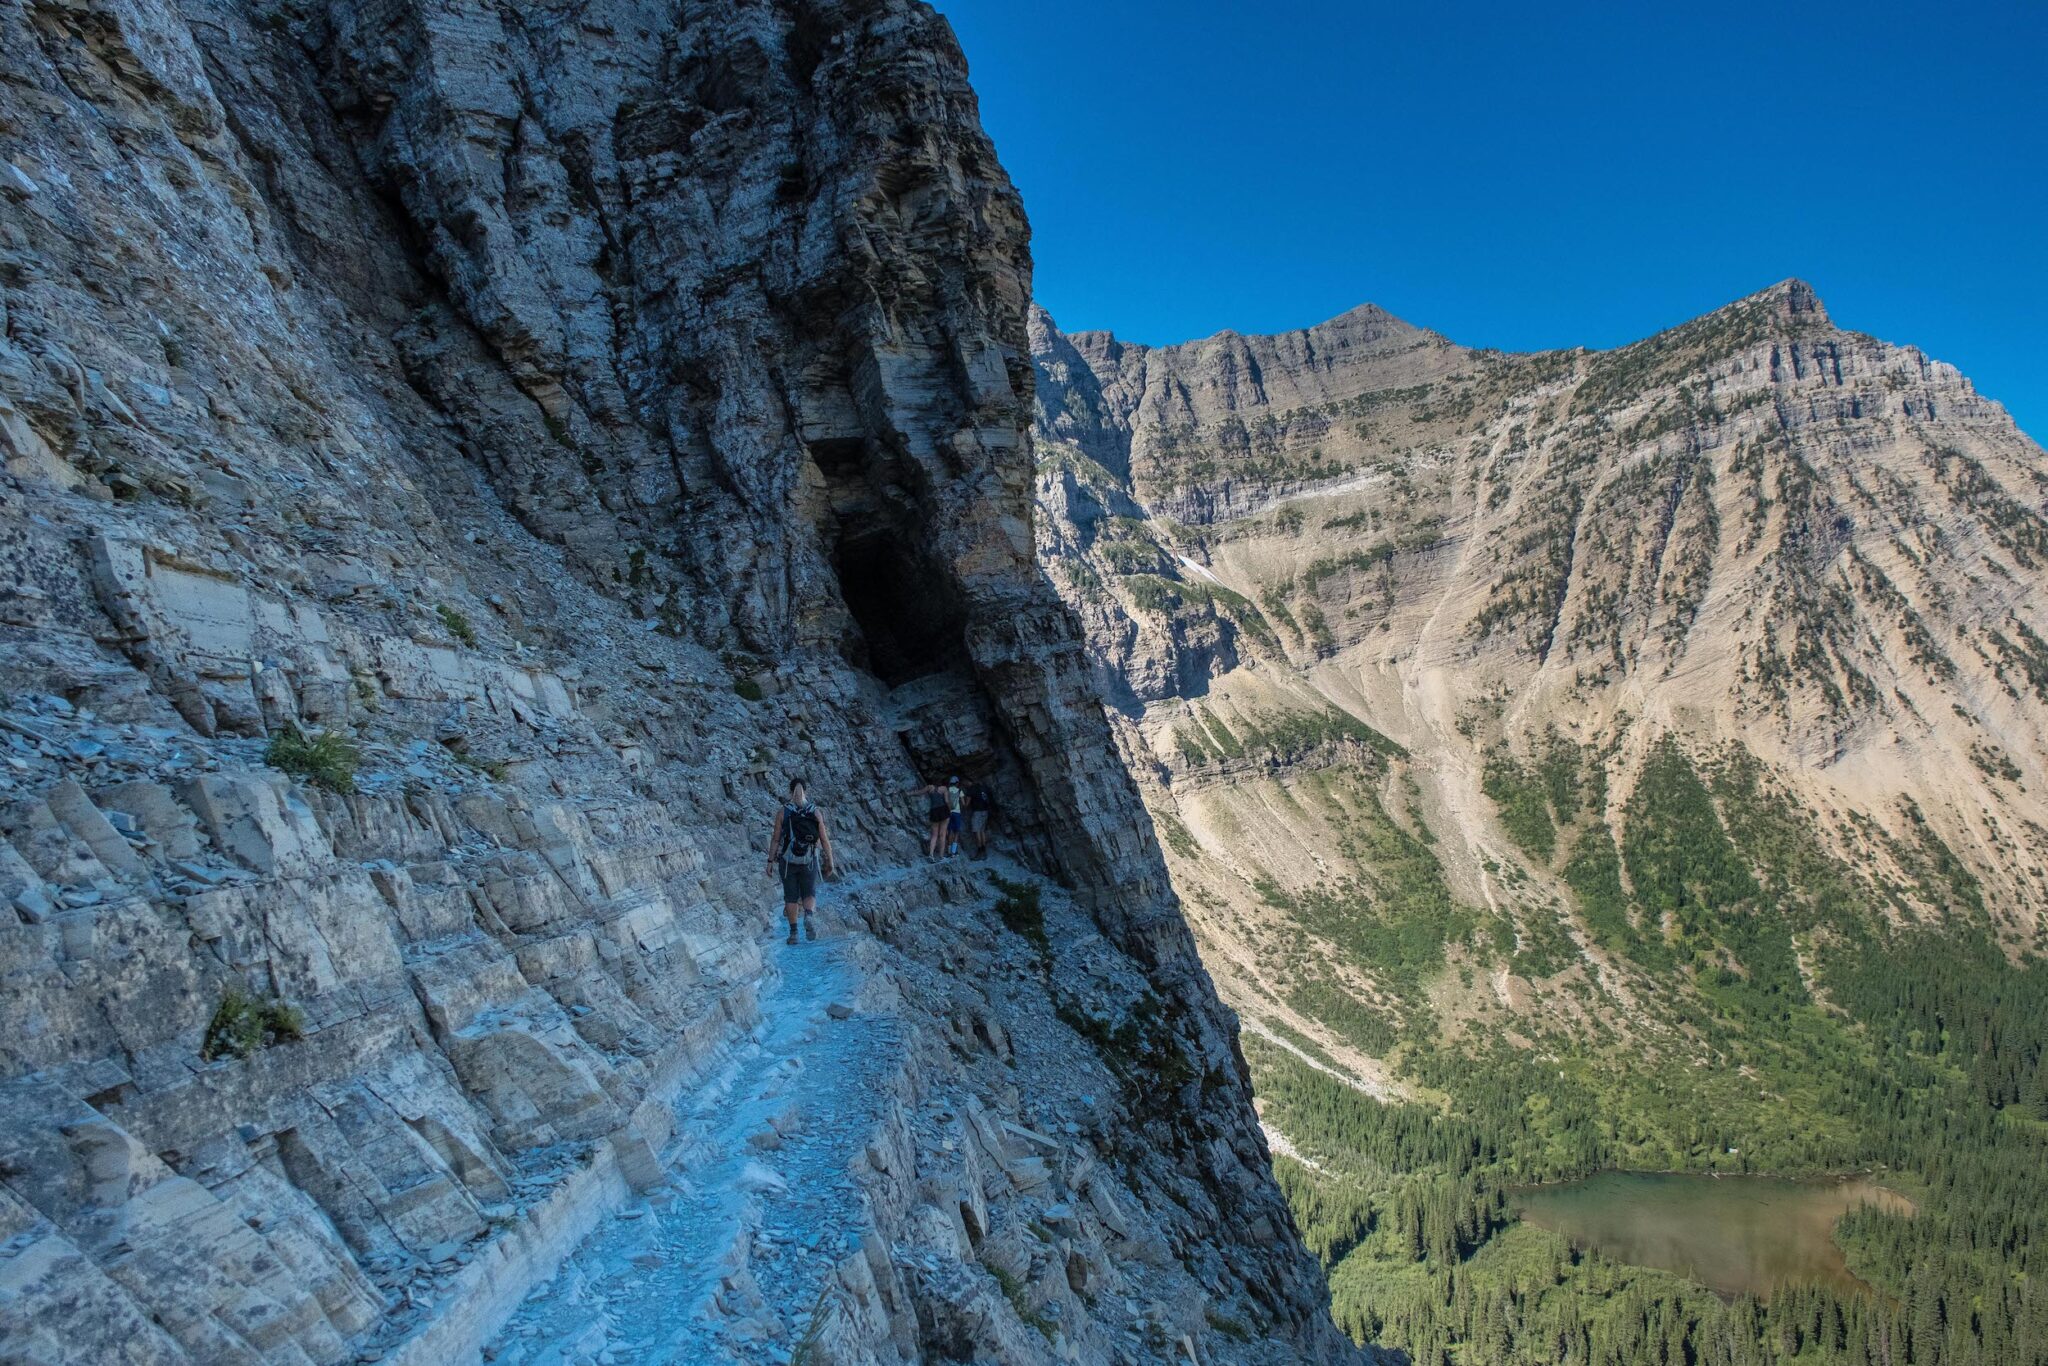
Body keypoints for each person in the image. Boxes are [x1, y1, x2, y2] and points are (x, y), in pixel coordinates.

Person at [766, 777, 834, 945]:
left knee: (790, 897)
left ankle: (794, 934)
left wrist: (770, 861)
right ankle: (809, 915)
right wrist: (830, 861)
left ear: (790, 791)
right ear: (806, 791)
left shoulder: (783, 812)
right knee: (809, 893)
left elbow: (775, 839)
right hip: (809, 860)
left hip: (788, 861)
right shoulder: (815, 812)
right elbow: (824, 840)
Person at [919, 779, 950, 862]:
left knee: (934, 835)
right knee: (942, 835)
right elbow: (946, 801)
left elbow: (919, 792)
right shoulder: (944, 788)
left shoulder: (929, 787)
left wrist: (909, 793)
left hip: (934, 811)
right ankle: (941, 856)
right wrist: (950, 810)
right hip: (943, 810)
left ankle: (931, 855)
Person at [967, 780, 997, 861]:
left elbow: (967, 804)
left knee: (977, 832)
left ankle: (980, 852)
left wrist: (963, 798)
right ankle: (984, 852)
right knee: (982, 831)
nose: (966, 784)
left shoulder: (972, 789)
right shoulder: (984, 788)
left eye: (966, 782)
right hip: (985, 811)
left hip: (977, 812)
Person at [944, 775, 965, 857]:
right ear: (957, 783)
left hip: (948, 813)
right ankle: (953, 852)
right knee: (956, 832)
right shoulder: (959, 790)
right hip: (957, 813)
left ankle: (949, 852)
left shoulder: (947, 790)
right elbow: (963, 803)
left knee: (950, 832)